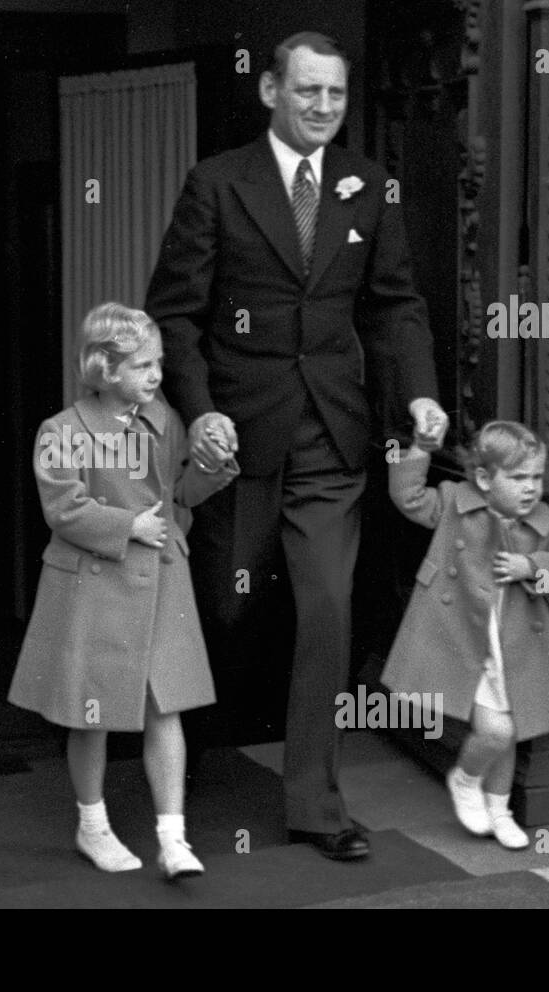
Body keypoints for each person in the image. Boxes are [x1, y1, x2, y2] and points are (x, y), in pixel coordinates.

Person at [144, 31, 449, 861]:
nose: (323, 108)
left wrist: (417, 390)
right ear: (270, 90)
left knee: (327, 611)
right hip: (235, 439)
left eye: (336, 95)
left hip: (332, 436)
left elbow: (394, 305)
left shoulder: (368, 186)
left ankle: (317, 806)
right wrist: (200, 412)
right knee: (223, 606)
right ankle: (177, 753)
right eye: (308, 91)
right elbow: (174, 312)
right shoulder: (218, 183)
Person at [7, 303, 239, 879]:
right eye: (141, 366)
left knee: (168, 708)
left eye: (157, 363)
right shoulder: (63, 431)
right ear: (104, 369)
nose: (156, 375)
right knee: (91, 715)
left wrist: (213, 467)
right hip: (94, 588)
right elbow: (63, 507)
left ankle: (173, 836)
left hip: (161, 579)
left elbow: (181, 493)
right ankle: (93, 826)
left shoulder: (164, 420)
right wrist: (127, 525)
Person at [382, 421, 549, 848]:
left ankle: (499, 809)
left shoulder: (546, 523)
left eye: (536, 477)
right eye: (517, 478)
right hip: (459, 638)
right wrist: (420, 447)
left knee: (507, 728)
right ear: (482, 478)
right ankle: (465, 777)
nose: (530, 488)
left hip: (511, 643)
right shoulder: (455, 503)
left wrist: (532, 568)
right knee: (496, 730)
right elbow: (408, 497)